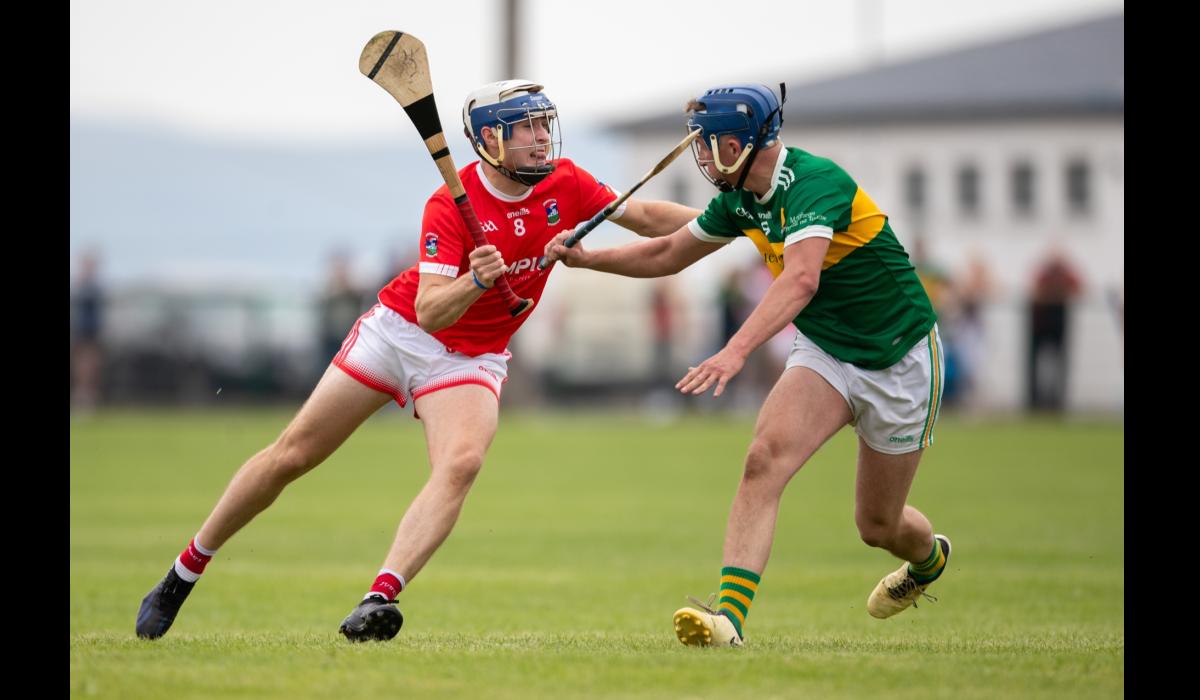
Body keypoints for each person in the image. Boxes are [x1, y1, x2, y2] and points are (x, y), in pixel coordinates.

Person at [135, 80, 700, 642]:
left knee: (461, 463)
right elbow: (430, 311)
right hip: (401, 334)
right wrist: (477, 278)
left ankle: (377, 598)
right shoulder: (448, 205)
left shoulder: (568, 182)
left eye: (542, 125)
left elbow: (648, 217)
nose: (539, 139)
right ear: (490, 141)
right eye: (524, 128)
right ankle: (183, 573)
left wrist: (730, 216)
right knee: (293, 455)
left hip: (472, 356)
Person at [544, 84, 950, 647]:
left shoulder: (815, 182)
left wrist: (735, 350)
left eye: (710, 145)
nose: (703, 157)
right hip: (826, 352)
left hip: (899, 356)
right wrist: (589, 259)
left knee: (878, 525)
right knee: (763, 461)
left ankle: (929, 560)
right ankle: (728, 622)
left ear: (742, 142)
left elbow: (802, 279)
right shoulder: (737, 201)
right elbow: (667, 252)